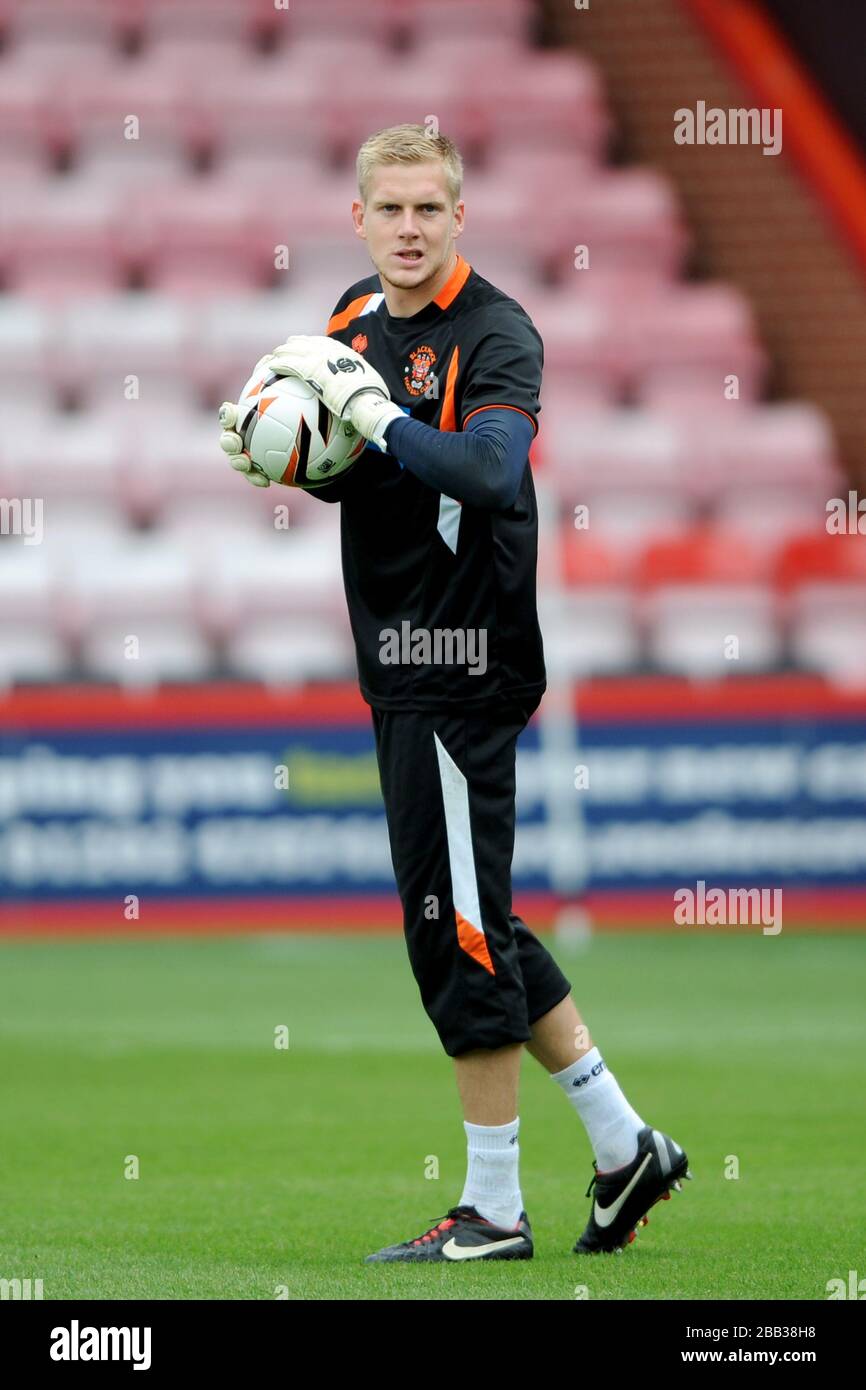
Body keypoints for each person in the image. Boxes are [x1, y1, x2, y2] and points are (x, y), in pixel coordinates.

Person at [218, 124, 691, 1262]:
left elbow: (485, 471)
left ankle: (491, 1212)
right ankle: (625, 1147)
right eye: (391, 210)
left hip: (462, 661)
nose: (410, 229)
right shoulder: (347, 320)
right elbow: (372, 478)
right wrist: (293, 455)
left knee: (456, 937)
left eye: (430, 209)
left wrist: (372, 414)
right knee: (472, 918)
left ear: (458, 216)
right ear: (360, 217)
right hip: (396, 659)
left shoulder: (495, 331)